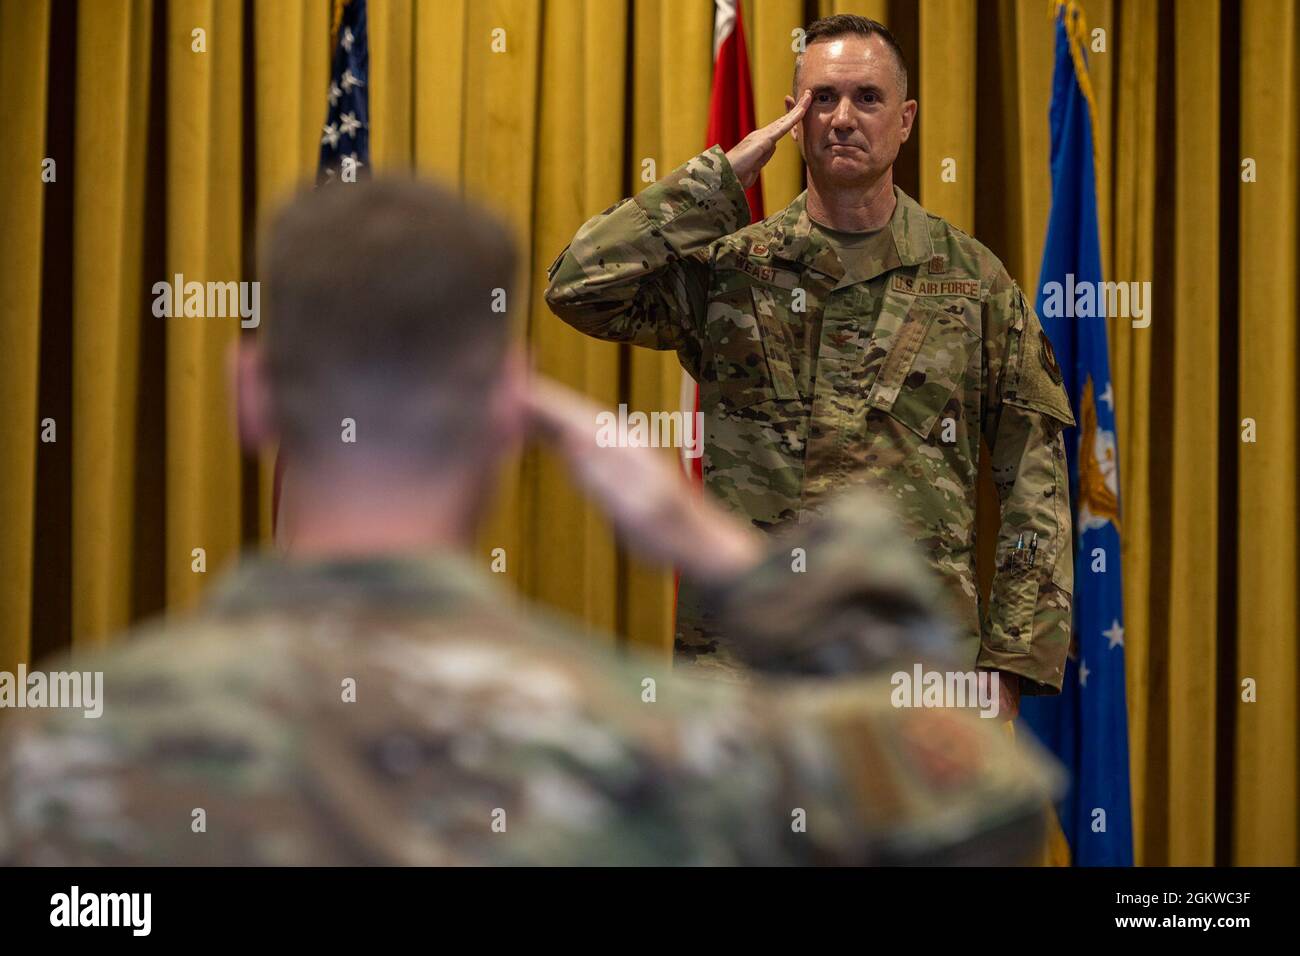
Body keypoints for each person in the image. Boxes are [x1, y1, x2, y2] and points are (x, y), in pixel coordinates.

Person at [0, 177, 1057, 865]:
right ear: (513, 404)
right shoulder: (669, 748)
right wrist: (723, 551)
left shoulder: (45, 750)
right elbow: (977, 798)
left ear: (250, 393)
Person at [545, 15, 1076, 713]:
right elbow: (578, 285)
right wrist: (716, 179)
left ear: (906, 118)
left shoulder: (973, 282)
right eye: (820, 99)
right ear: (793, 119)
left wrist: (1009, 665)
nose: (842, 118)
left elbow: (1035, 483)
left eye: (867, 97)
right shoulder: (732, 272)